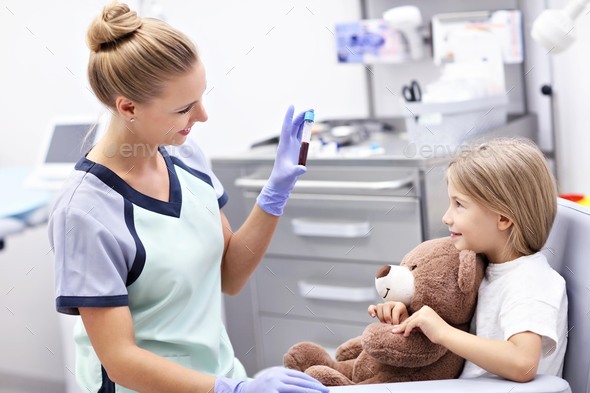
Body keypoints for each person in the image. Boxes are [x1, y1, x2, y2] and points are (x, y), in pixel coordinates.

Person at [48, 2, 328, 393]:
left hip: (219, 376)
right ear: (127, 107)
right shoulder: (84, 212)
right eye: (184, 108)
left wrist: (274, 193)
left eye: (200, 97)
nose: (203, 116)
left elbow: (229, 276)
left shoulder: (185, 156)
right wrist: (231, 391)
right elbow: (121, 362)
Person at [368, 138, 567, 383]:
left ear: (503, 219)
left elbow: (523, 364)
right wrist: (411, 315)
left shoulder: (530, 280)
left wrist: (443, 332)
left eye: (459, 204)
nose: (446, 218)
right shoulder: (487, 268)